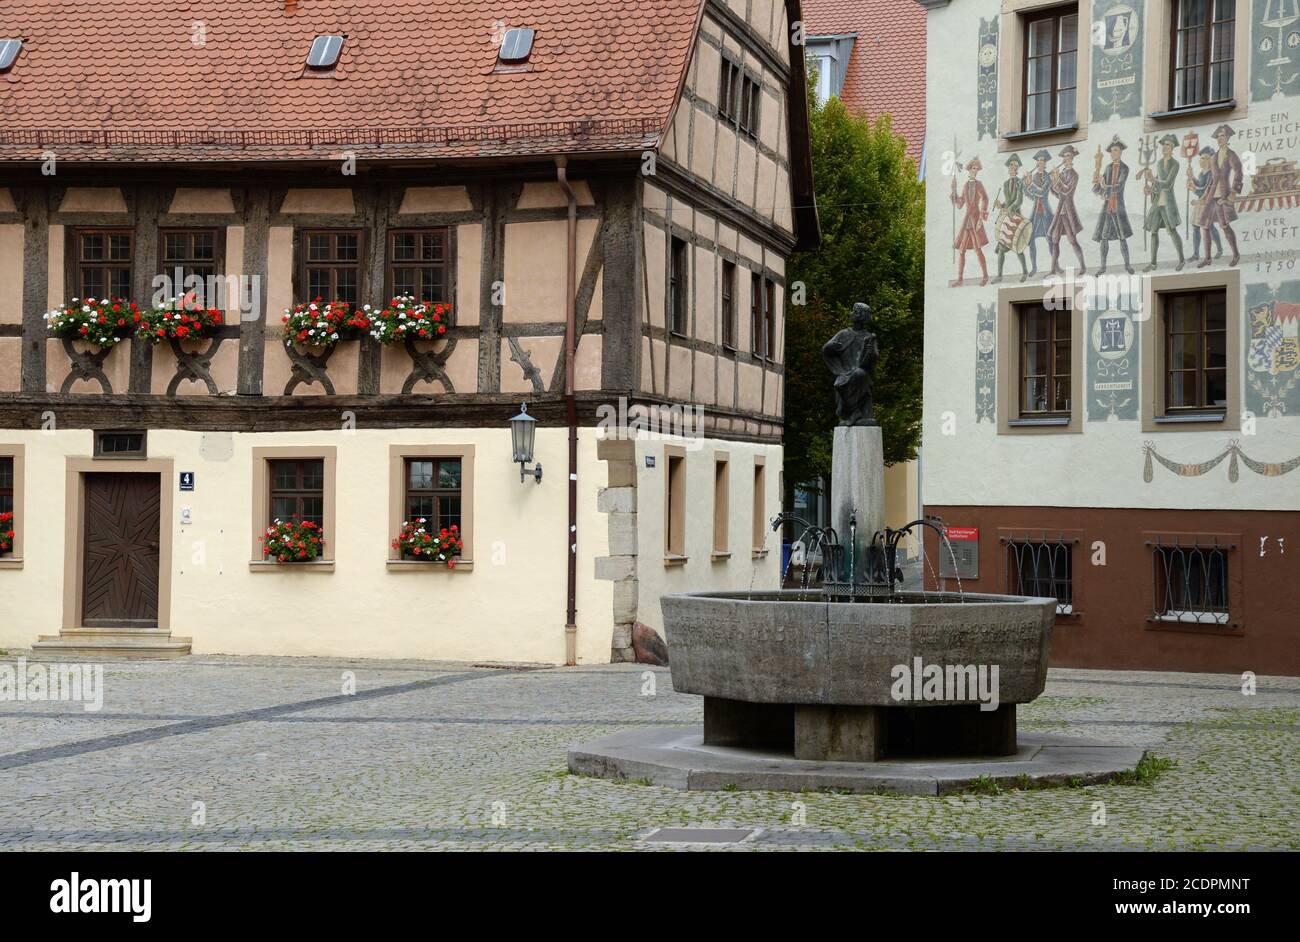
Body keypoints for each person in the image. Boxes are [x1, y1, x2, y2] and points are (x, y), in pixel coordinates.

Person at [822, 302, 879, 426]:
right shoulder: (844, 334)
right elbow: (826, 350)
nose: (852, 314)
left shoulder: (869, 337)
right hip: (845, 372)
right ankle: (853, 411)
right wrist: (830, 347)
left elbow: (873, 361)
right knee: (839, 383)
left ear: (860, 316)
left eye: (855, 312)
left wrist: (871, 353)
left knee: (859, 374)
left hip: (863, 375)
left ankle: (854, 412)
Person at [1198, 124, 1243, 267]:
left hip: (1224, 196)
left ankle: (1236, 254)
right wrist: (1206, 194)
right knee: (1204, 226)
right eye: (1218, 136)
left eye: (1222, 136)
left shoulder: (1231, 154)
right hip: (1212, 196)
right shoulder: (1214, 157)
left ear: (1227, 137)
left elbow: (1239, 172)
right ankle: (1207, 258)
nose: (1219, 138)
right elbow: (1213, 179)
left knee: (1224, 226)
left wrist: (1234, 192)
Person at [1142, 133, 1185, 272]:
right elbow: (1158, 183)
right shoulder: (1159, 163)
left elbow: (1167, 184)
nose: (1165, 147)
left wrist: (1154, 181)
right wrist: (1150, 189)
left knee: (1172, 230)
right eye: (1164, 144)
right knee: (1153, 232)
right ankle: (1153, 263)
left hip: (1167, 203)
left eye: (1168, 145)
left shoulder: (1175, 164)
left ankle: (1182, 260)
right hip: (1157, 202)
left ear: (1172, 148)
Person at [1092, 135, 1134, 275]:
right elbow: (1102, 185)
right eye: (1111, 151)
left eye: (1115, 150)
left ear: (1120, 152)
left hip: (1117, 206)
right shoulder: (1108, 167)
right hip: (1107, 207)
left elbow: (1119, 186)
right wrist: (1098, 185)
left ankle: (1127, 265)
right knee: (1104, 237)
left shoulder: (1124, 168)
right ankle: (1103, 267)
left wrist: (1106, 186)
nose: (1113, 153)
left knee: (1122, 237)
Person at [950, 156, 989, 286]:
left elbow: (985, 199)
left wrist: (982, 215)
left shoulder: (979, 184)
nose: (975, 170)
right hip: (967, 219)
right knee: (961, 250)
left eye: (977, 169)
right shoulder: (966, 185)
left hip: (975, 217)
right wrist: (954, 193)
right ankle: (960, 279)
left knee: (978, 249)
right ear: (969, 169)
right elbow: (961, 203)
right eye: (973, 168)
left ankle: (985, 276)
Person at [1048, 145, 1086, 276]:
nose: (1065, 159)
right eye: (1064, 157)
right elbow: (1057, 193)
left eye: (1068, 156)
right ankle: (1052, 269)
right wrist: (1051, 181)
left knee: (1072, 240)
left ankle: (1083, 267)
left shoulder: (1074, 175)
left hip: (1068, 212)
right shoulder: (1062, 173)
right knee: (1054, 240)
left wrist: (1057, 180)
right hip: (1060, 211)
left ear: (1072, 158)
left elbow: (1066, 191)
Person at [992, 154, 1030, 283]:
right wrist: (1000, 205)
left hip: (1015, 217)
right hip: (1006, 217)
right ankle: (999, 275)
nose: (1012, 167)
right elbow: (1007, 201)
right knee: (1002, 247)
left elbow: (1019, 201)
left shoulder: (1019, 182)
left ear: (1017, 168)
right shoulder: (1006, 183)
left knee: (1018, 246)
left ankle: (1025, 272)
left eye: (1015, 165)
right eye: (1011, 165)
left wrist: (1010, 208)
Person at [1187, 146, 1223, 261]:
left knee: (1209, 227)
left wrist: (1194, 190)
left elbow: (1204, 190)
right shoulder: (1203, 173)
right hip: (1200, 203)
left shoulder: (1211, 174)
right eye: (1201, 158)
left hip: (1207, 203)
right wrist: (1192, 177)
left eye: (1205, 158)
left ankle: (1219, 249)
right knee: (1196, 227)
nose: (1202, 160)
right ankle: (1196, 254)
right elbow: (1200, 185)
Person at [1023, 149, 1054, 276]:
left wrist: (1030, 185)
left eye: (1042, 160)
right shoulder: (1034, 177)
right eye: (1039, 160)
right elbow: (1032, 196)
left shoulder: (1048, 177)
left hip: (1046, 212)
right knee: (1031, 240)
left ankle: (1054, 266)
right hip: (1036, 212)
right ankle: (1034, 268)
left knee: (1050, 239)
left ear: (1045, 163)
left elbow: (1041, 192)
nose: (1040, 162)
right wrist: (1025, 186)